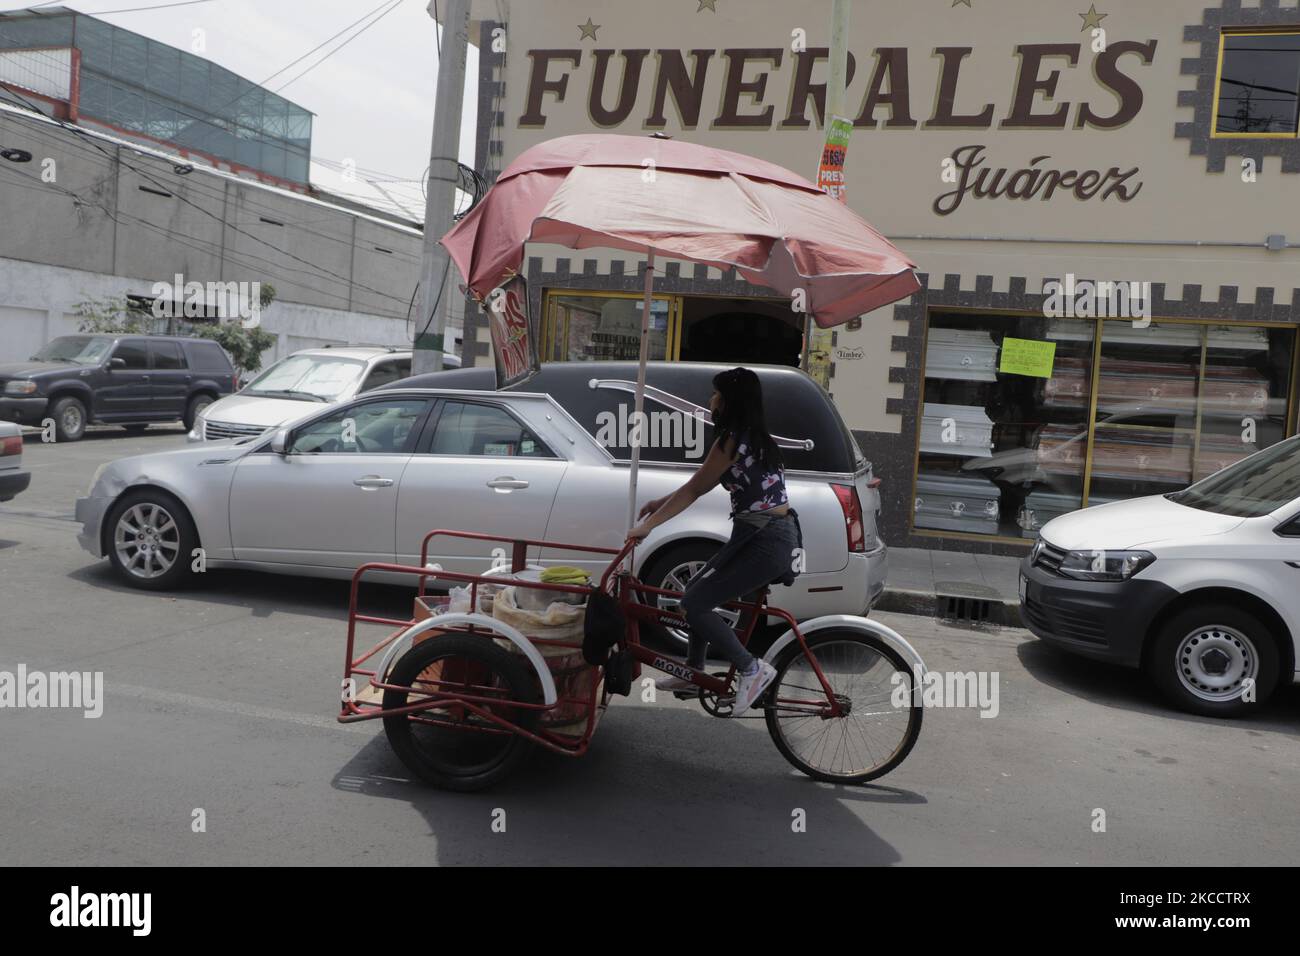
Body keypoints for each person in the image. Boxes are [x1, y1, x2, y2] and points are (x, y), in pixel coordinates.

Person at [626, 367, 801, 716]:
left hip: (763, 538)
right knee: (697, 590)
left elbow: (695, 489)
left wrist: (649, 527)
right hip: (772, 534)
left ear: (729, 400)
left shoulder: (732, 440)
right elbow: (698, 482)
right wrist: (661, 503)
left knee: (694, 602)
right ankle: (694, 673)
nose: (711, 400)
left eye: (716, 394)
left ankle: (751, 668)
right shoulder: (757, 437)